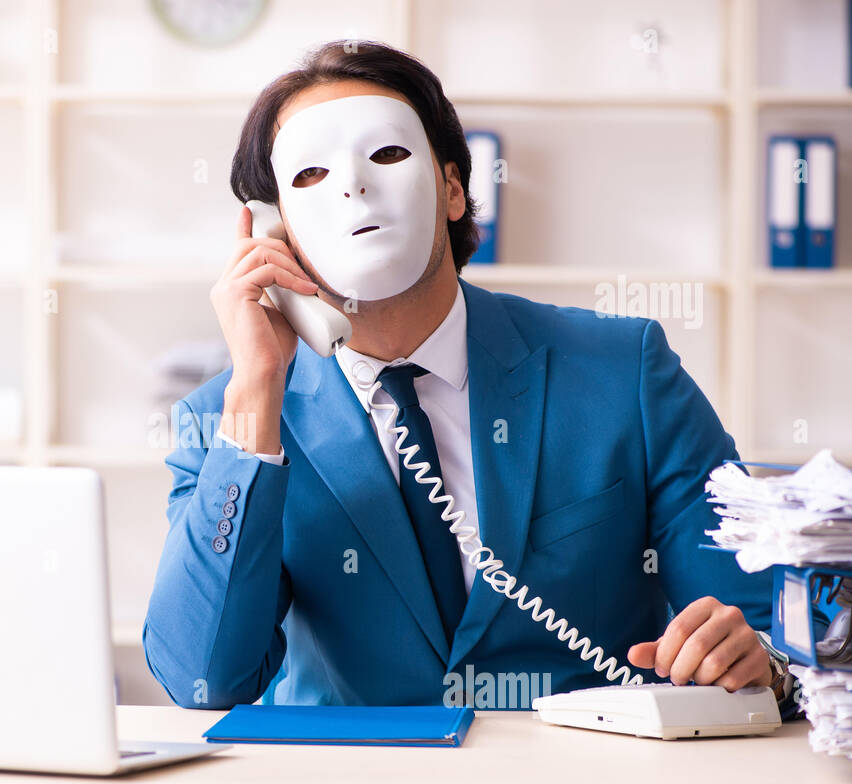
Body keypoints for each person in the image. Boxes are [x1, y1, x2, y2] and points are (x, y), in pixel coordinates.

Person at [142, 40, 795, 713]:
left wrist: (760, 661)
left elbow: (775, 629)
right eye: (309, 174)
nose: (352, 187)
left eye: (387, 154)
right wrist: (255, 388)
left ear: (453, 188)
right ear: (275, 235)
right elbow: (205, 677)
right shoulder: (232, 417)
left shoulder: (625, 372)